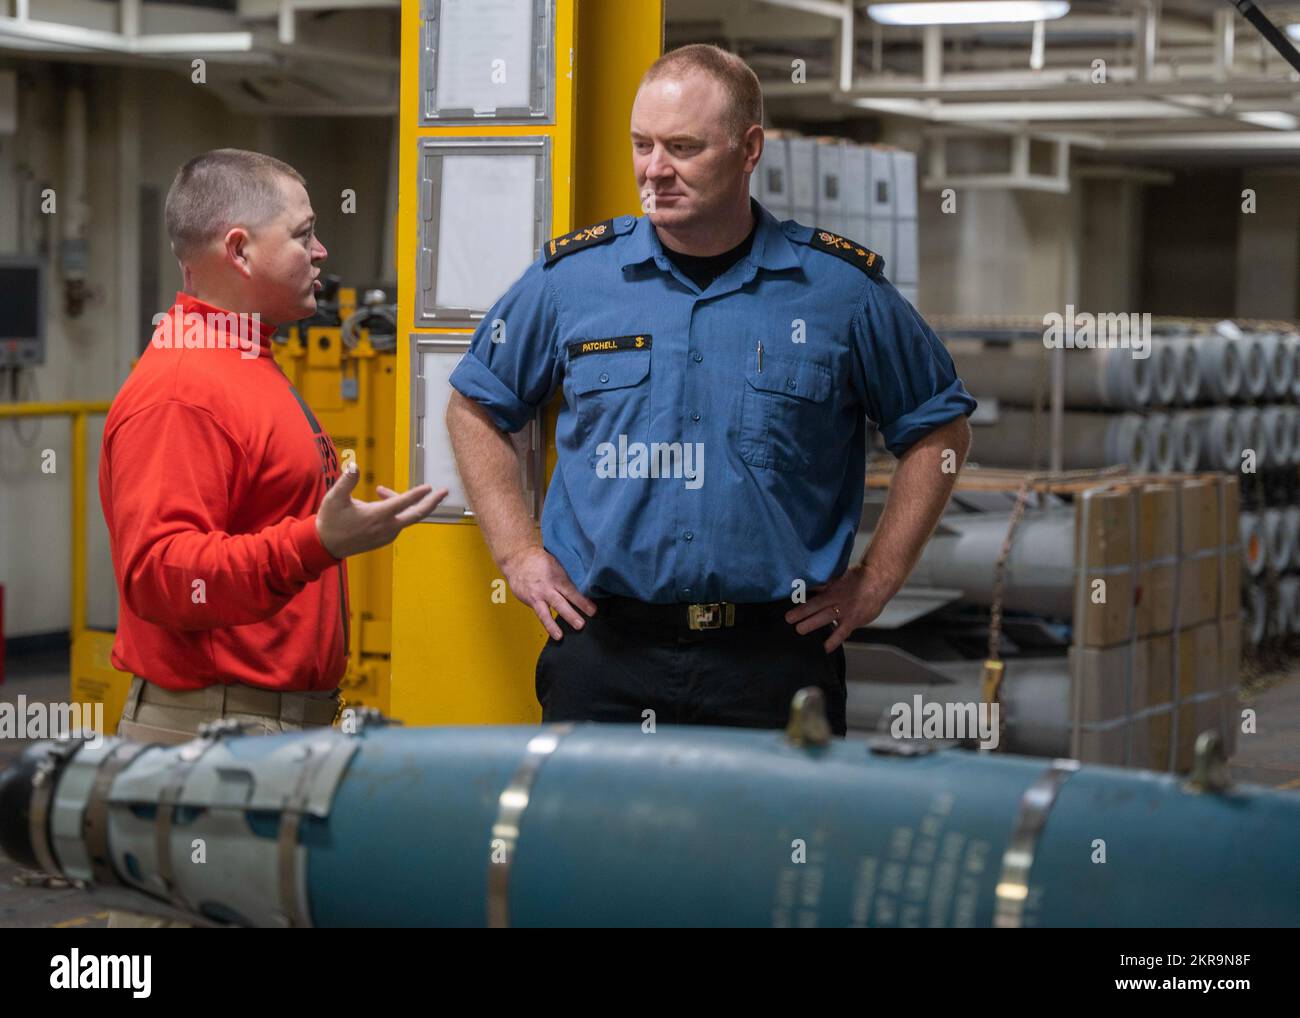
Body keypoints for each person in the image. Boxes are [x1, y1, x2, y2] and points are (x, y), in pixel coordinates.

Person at [446, 45, 974, 736]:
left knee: (768, 845)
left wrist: (878, 578)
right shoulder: (571, 282)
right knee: (593, 848)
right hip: (604, 653)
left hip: (773, 658)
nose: (654, 170)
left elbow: (939, 429)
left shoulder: (840, 293)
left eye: (683, 147)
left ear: (749, 148)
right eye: (643, 145)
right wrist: (518, 554)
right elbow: (474, 405)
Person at [99, 148, 444, 925]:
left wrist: (329, 536)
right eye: (305, 233)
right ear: (238, 250)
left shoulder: (247, 364)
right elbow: (158, 576)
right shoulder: (184, 391)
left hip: (267, 735)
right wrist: (316, 544)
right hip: (210, 739)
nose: (322, 251)